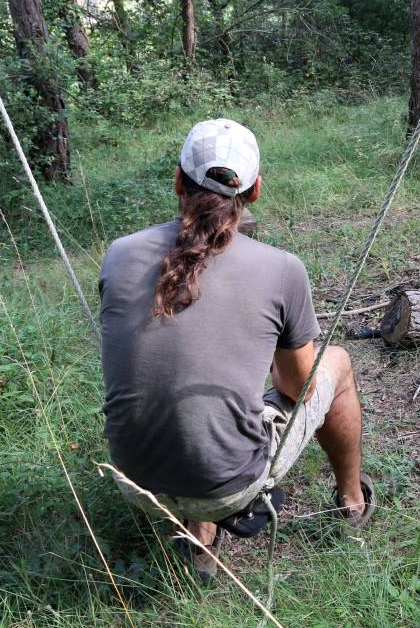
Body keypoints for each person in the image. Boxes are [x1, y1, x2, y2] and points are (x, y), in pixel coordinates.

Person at [98, 119, 374, 579]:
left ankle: (201, 537)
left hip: (135, 481)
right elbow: (299, 388)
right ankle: (352, 500)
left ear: (178, 181)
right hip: (229, 485)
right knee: (337, 364)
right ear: (255, 190)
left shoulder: (119, 253)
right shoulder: (282, 268)